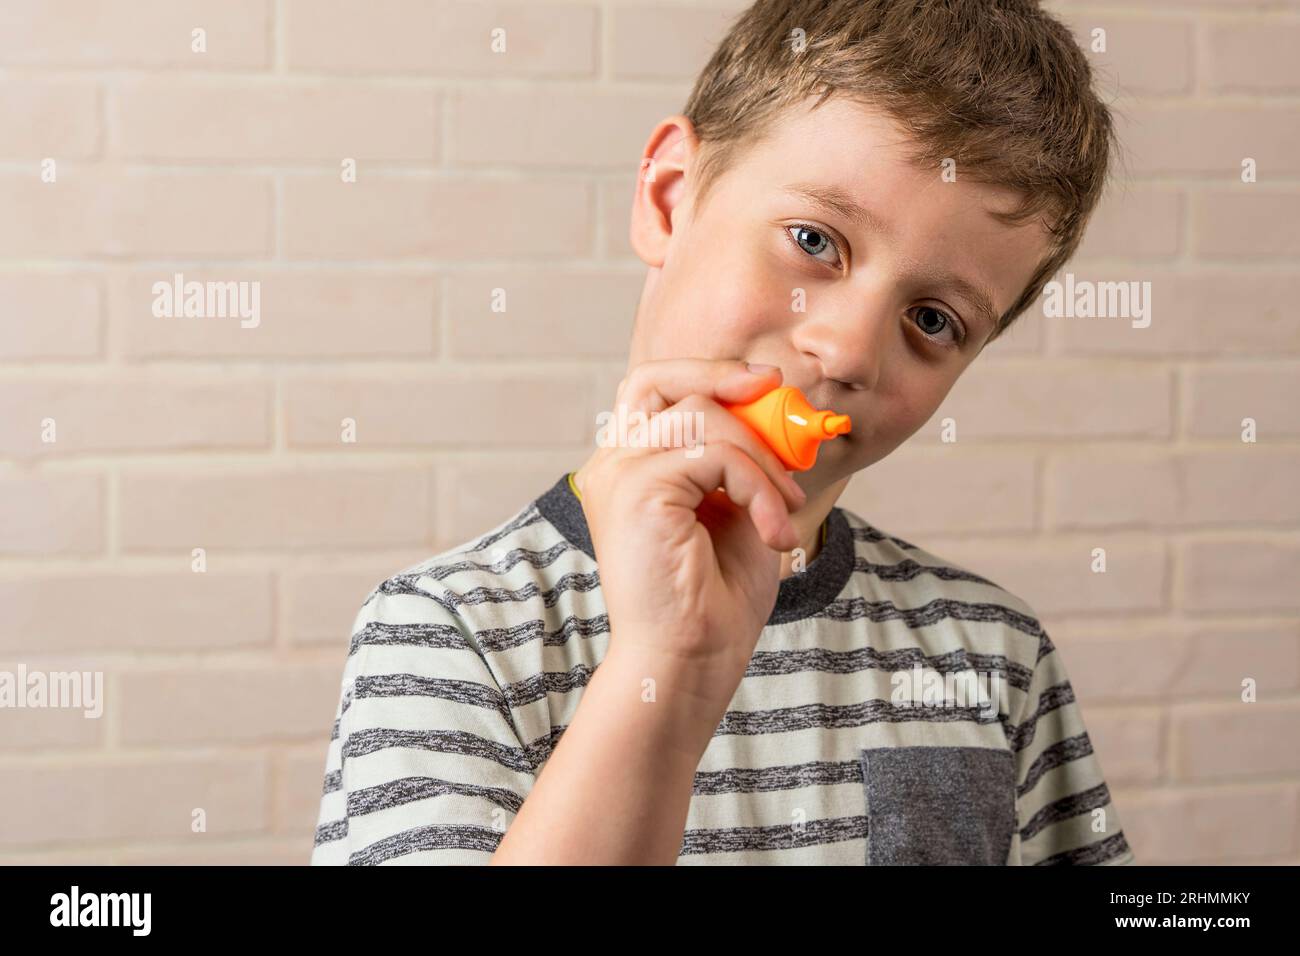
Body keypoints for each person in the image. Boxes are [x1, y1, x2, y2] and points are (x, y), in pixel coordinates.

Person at [311, 0, 1135, 866]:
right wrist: (669, 666)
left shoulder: (994, 651)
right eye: (814, 239)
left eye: (932, 319)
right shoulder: (451, 633)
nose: (848, 349)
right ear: (670, 200)